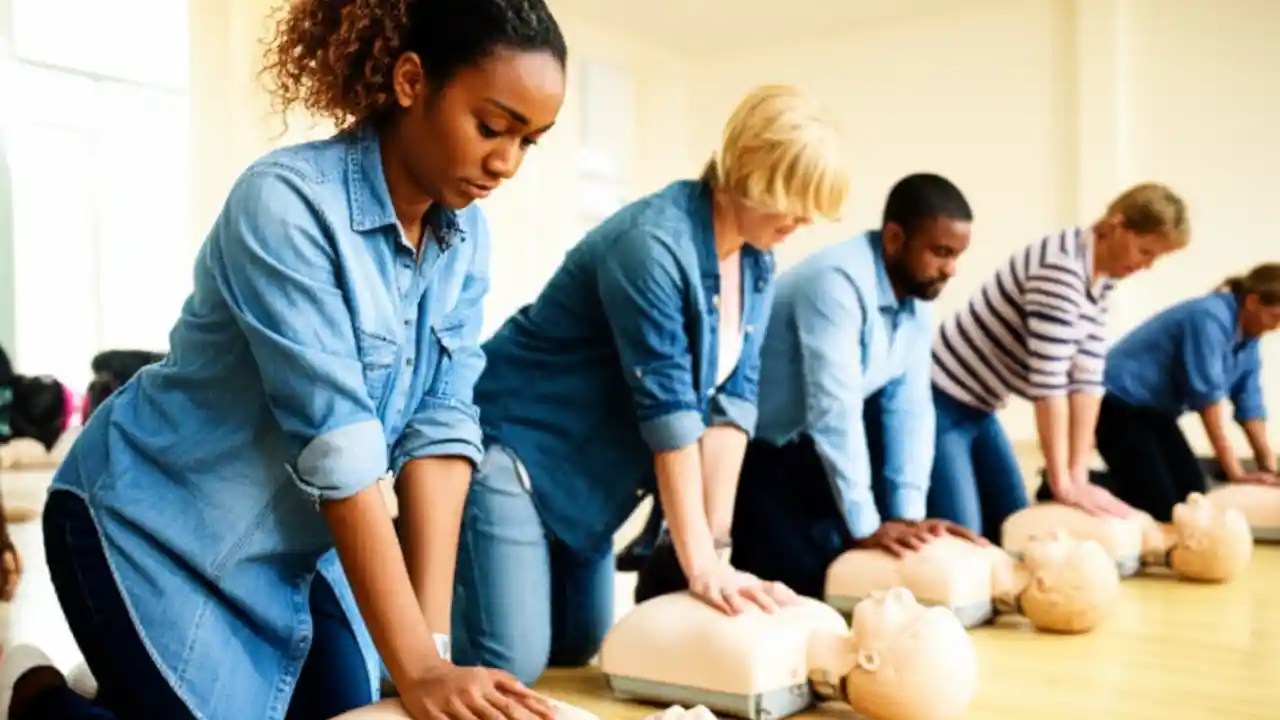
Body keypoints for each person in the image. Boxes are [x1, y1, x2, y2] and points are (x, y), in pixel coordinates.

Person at [0, 1, 568, 719]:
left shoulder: (465, 240)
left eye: (529, 142)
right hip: (147, 526)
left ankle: (125, 684)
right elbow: (341, 451)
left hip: (292, 553)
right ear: (410, 80)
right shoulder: (286, 204)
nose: (506, 163)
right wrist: (417, 668)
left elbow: (442, 427)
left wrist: (427, 650)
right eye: (491, 127)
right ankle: (35, 692)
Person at [452, 84, 850, 685]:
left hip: (586, 483)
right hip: (515, 449)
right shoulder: (652, 246)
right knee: (512, 664)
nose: (803, 221)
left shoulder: (756, 261)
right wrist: (698, 567)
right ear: (749, 173)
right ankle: (400, 613)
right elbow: (670, 418)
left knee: (578, 646)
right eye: (793, 201)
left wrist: (718, 556)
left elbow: (730, 410)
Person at [634, 173, 987, 602]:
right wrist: (867, 526)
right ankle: (663, 565)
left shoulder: (917, 301)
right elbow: (833, 411)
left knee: (834, 562)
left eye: (956, 256)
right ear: (895, 239)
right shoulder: (835, 282)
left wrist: (906, 519)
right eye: (940, 252)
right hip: (743, 450)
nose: (950, 269)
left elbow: (909, 410)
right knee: (803, 576)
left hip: (800, 448)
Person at [928, 183, 1190, 542]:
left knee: (1011, 524)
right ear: (1116, 226)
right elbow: (1049, 384)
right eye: (1144, 251)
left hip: (980, 408)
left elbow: (1087, 380)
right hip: (939, 401)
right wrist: (1062, 483)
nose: (1146, 265)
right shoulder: (1061, 270)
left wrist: (1077, 475)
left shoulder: (1100, 279)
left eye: (1154, 258)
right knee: (966, 536)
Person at [1086, 263, 1280, 521]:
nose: (1277, 327)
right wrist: (1235, 472)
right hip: (1114, 404)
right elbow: (1207, 399)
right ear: (1254, 302)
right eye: (1277, 317)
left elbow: (1249, 402)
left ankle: (1131, 475)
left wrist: (1269, 466)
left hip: (1155, 412)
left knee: (1192, 494)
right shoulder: (1209, 318)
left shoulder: (1249, 337)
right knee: (1161, 504)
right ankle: (1073, 485)